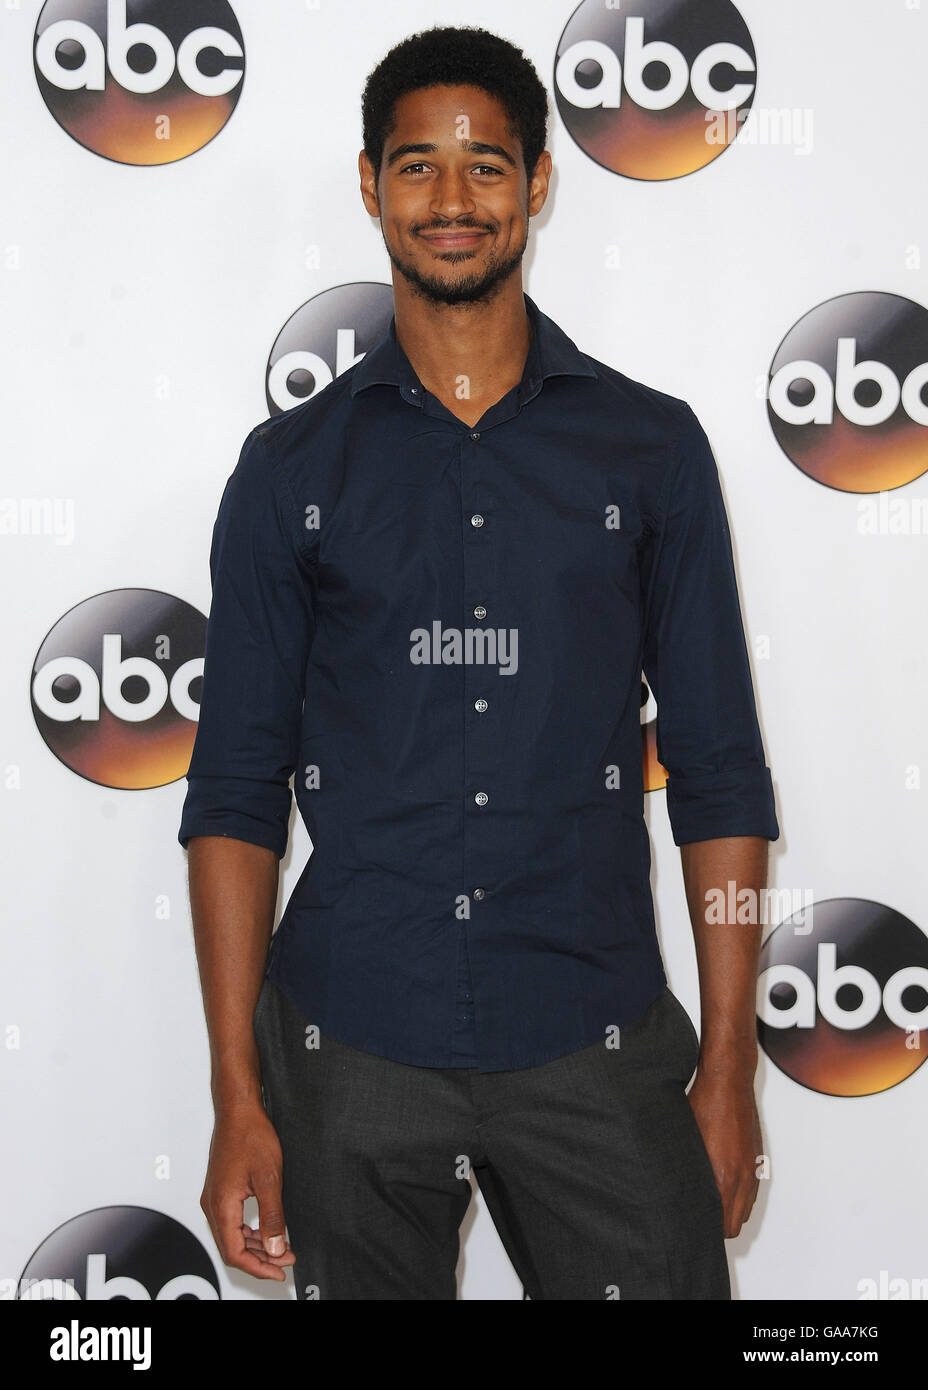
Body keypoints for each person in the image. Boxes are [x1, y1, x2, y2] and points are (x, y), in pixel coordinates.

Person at [179, 25, 780, 1301]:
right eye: (417, 166)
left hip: (593, 1032)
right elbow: (233, 792)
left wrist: (729, 1065)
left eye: (485, 166)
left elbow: (720, 773)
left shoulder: (649, 451)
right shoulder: (289, 472)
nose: (451, 199)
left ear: (537, 182)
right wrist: (237, 1092)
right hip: (352, 1044)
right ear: (369, 184)